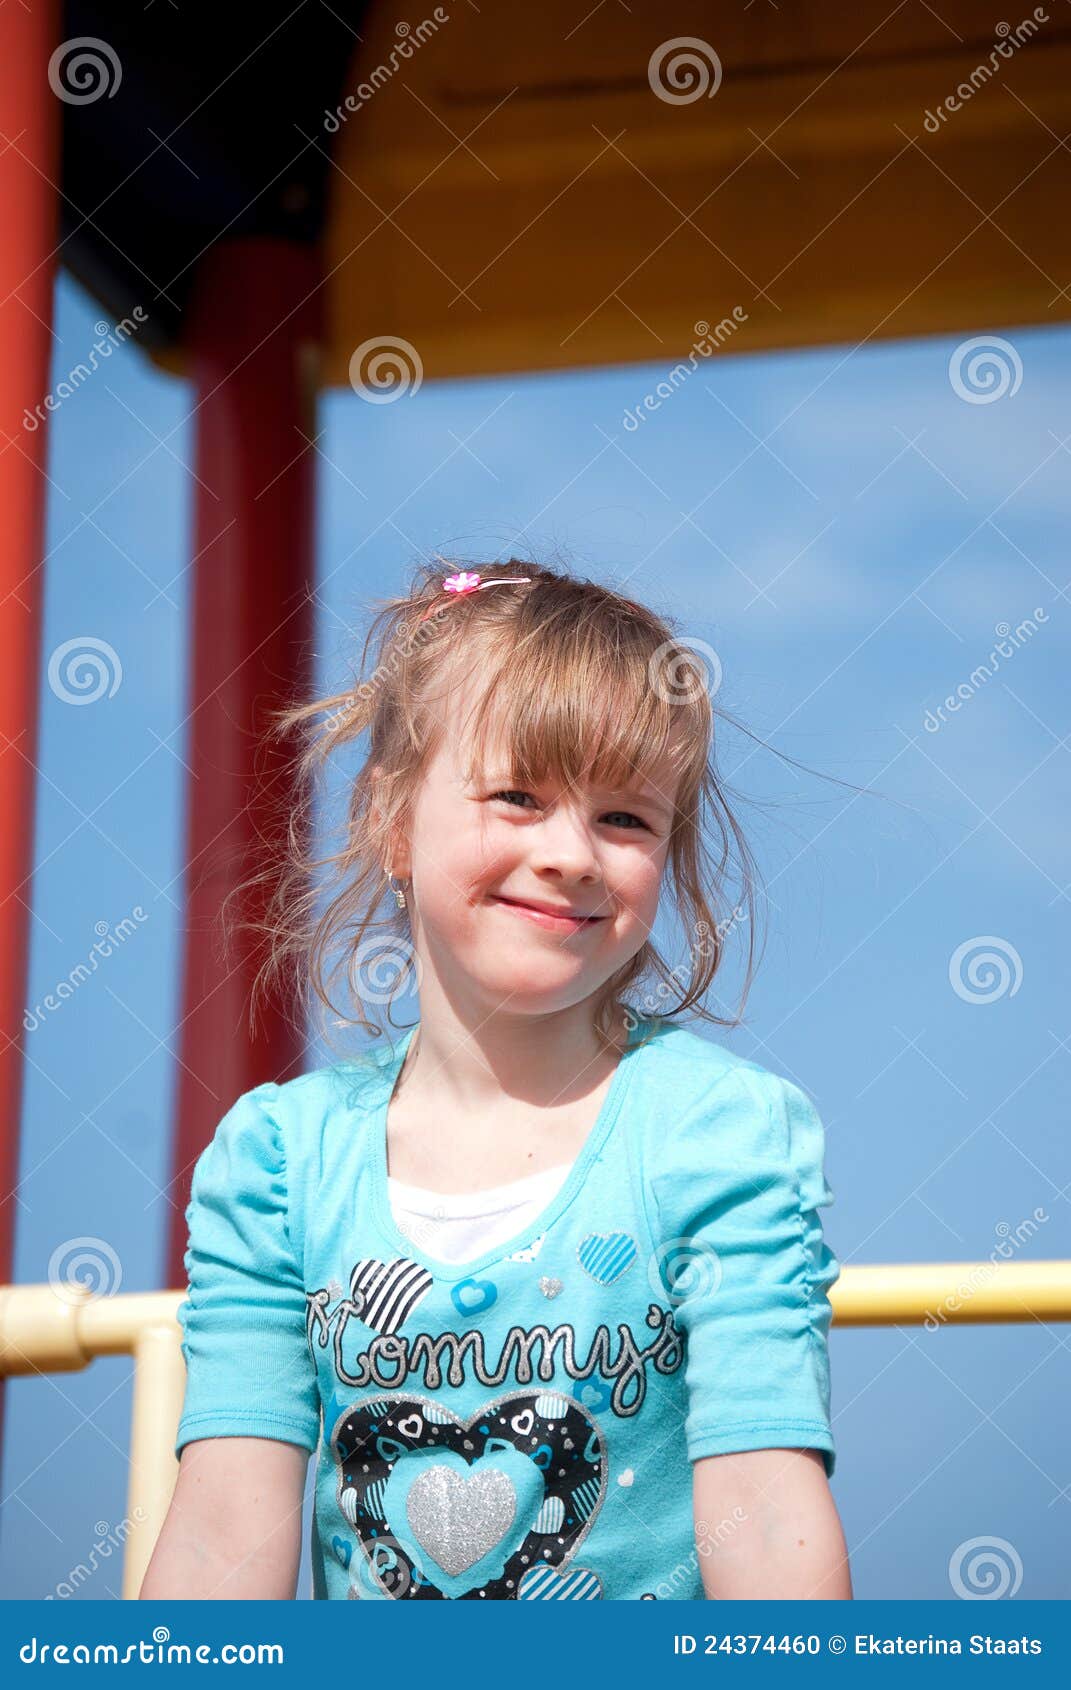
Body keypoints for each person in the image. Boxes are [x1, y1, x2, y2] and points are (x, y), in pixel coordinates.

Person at [140, 558, 852, 1601]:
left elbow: (767, 1516)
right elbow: (218, 1542)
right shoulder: (280, 1164)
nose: (570, 852)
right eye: (519, 794)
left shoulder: (716, 1135)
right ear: (392, 820)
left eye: (626, 819)